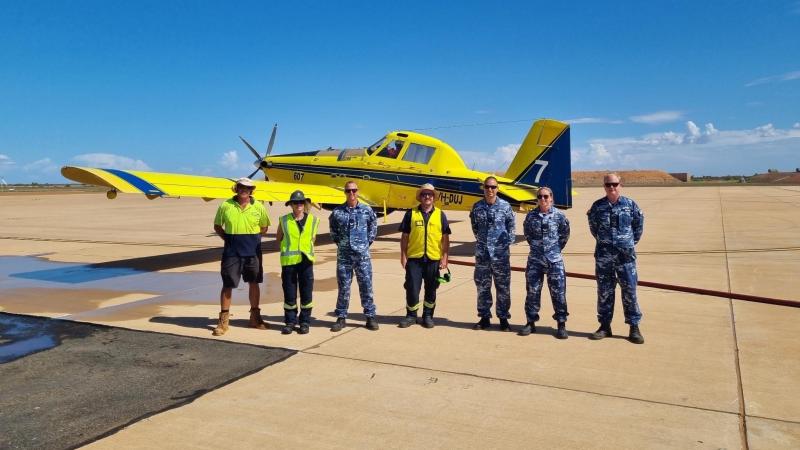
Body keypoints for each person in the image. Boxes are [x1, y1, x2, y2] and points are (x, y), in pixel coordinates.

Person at [587, 173, 645, 344]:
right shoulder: (597, 207)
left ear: (621, 185)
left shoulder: (630, 205)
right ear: (604, 186)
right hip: (604, 256)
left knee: (630, 291)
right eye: (608, 185)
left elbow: (638, 226)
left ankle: (634, 327)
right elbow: (594, 228)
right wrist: (607, 243)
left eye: (614, 184)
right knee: (604, 292)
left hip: (625, 257)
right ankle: (605, 326)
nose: (611, 187)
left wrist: (628, 242)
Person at [211, 177, 270, 336]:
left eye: (247, 188)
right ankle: (223, 321)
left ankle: (255, 318)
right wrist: (228, 239)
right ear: (236, 188)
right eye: (241, 187)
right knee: (228, 284)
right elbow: (217, 226)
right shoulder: (225, 205)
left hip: (253, 252)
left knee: (254, 283)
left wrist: (252, 239)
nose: (244, 189)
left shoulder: (259, 207)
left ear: (251, 191)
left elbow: (264, 227)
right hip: (232, 252)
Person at [519, 187, 571, 339]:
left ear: (551, 198)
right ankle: (530, 322)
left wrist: (553, 250)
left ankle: (561, 324)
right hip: (535, 260)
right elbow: (527, 235)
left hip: (554, 260)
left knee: (559, 293)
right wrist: (538, 250)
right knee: (532, 292)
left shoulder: (560, 216)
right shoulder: (530, 217)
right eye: (540, 197)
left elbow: (564, 235)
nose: (543, 199)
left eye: (546, 196)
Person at [398, 183, 451, 329]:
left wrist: (445, 257)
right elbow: (404, 236)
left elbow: (445, 238)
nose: (427, 197)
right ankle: (411, 316)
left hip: (433, 259)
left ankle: (428, 315)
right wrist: (403, 256)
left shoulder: (440, 214)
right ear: (420, 197)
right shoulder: (411, 214)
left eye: (430, 194)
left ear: (434, 197)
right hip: (414, 258)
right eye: (424, 194)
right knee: (412, 288)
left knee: (431, 289)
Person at [329, 180, 379, 331]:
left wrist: (365, 244)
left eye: (354, 190)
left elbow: (373, 227)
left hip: (362, 256)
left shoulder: (366, 210)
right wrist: (343, 245)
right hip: (344, 257)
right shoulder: (337, 212)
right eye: (348, 191)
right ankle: (341, 316)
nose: (351, 193)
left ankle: (370, 316)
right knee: (343, 287)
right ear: (345, 192)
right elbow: (333, 232)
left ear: (358, 191)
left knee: (366, 286)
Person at [470, 176, 516, 331]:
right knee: (483, 286)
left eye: (493, 187)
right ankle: (484, 318)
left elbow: (511, 226)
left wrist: (505, 243)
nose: (490, 190)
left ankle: (503, 318)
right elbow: (475, 227)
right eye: (487, 187)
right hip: (483, 254)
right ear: (484, 188)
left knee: (503, 287)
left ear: (497, 189)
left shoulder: (505, 206)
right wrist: (484, 243)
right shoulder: (477, 207)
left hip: (500, 255)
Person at [276, 190, 319, 335]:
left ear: (305, 203)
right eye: (295, 202)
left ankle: (305, 322)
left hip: (306, 262)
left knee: (306, 293)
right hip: (289, 262)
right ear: (291, 205)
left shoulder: (313, 220)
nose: (298, 205)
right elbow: (279, 238)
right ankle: (290, 321)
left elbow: (313, 239)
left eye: (301, 202)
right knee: (289, 293)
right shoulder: (284, 220)